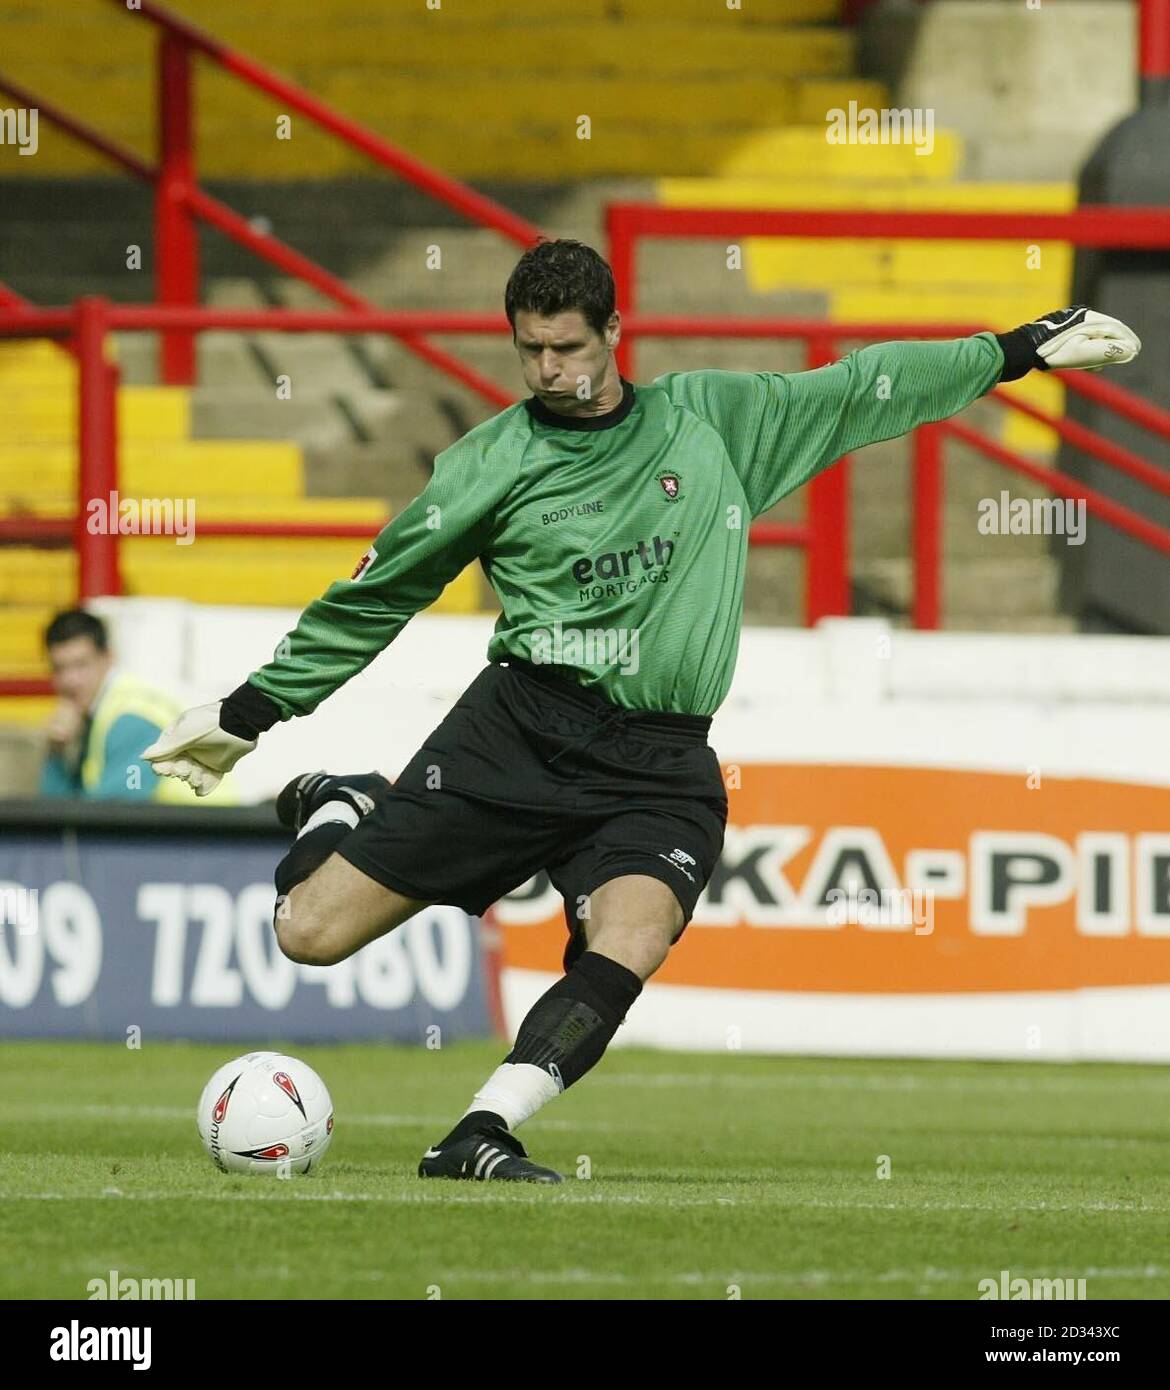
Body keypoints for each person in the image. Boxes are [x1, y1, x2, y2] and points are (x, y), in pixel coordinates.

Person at [142, 239, 1140, 1182]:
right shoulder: (488, 464)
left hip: (658, 759)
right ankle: (339, 806)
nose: (548, 368)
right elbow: (378, 592)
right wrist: (254, 708)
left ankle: (481, 1130)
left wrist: (1014, 349)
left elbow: (862, 390)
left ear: (615, 332)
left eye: (567, 345)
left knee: (634, 933)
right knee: (305, 935)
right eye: (529, 348)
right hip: (518, 730)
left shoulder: (714, 422)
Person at [39, 608, 234, 804]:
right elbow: (60, 818)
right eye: (59, 668)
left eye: (81, 665)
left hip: (207, 829)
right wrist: (58, 753)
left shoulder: (131, 718)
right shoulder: (98, 713)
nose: (70, 681)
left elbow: (116, 810)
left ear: (108, 658)